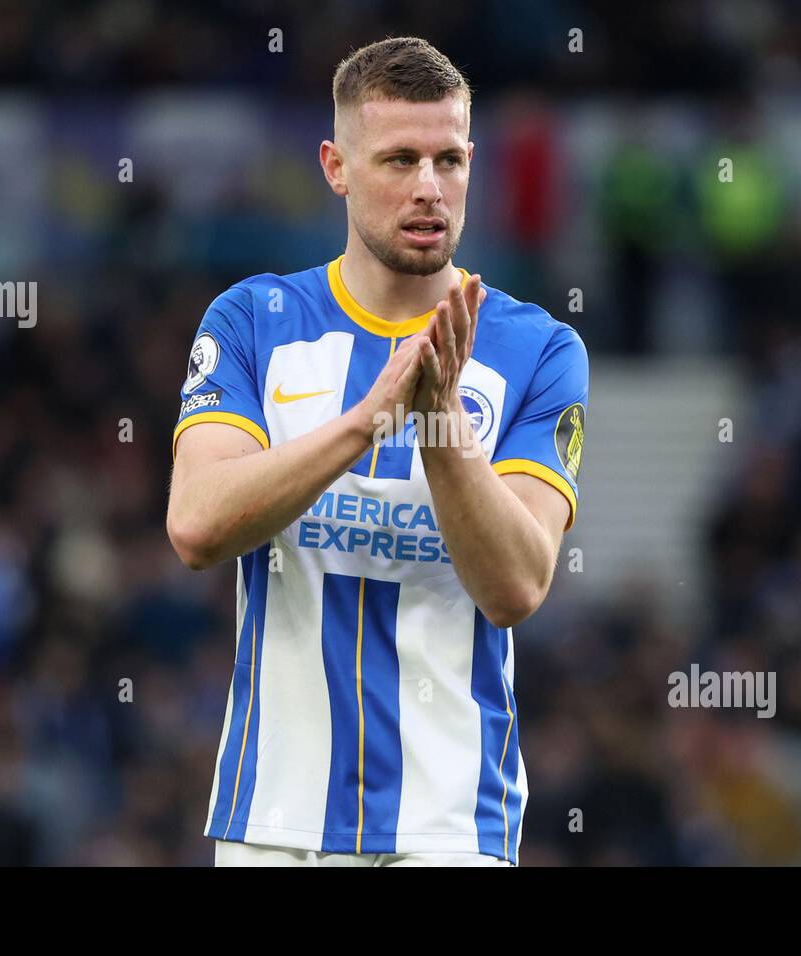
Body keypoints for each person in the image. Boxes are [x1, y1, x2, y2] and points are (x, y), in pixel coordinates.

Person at [165, 36, 588, 867]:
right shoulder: (253, 321)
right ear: (337, 166)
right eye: (399, 159)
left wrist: (440, 425)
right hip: (274, 822)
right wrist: (366, 421)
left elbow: (515, 586)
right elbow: (196, 526)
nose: (429, 187)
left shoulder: (540, 349)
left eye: (449, 160)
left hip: (450, 828)